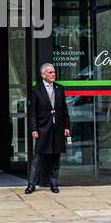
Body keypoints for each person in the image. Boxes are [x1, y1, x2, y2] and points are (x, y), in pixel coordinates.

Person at [26, 62, 70, 194]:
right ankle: (31, 184)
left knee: (56, 157)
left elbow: (64, 110)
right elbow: (32, 113)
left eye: (54, 72)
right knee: (38, 157)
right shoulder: (36, 90)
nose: (53, 74)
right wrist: (34, 129)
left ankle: (54, 183)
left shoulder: (60, 88)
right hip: (42, 128)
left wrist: (66, 126)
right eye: (50, 72)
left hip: (58, 128)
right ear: (43, 74)